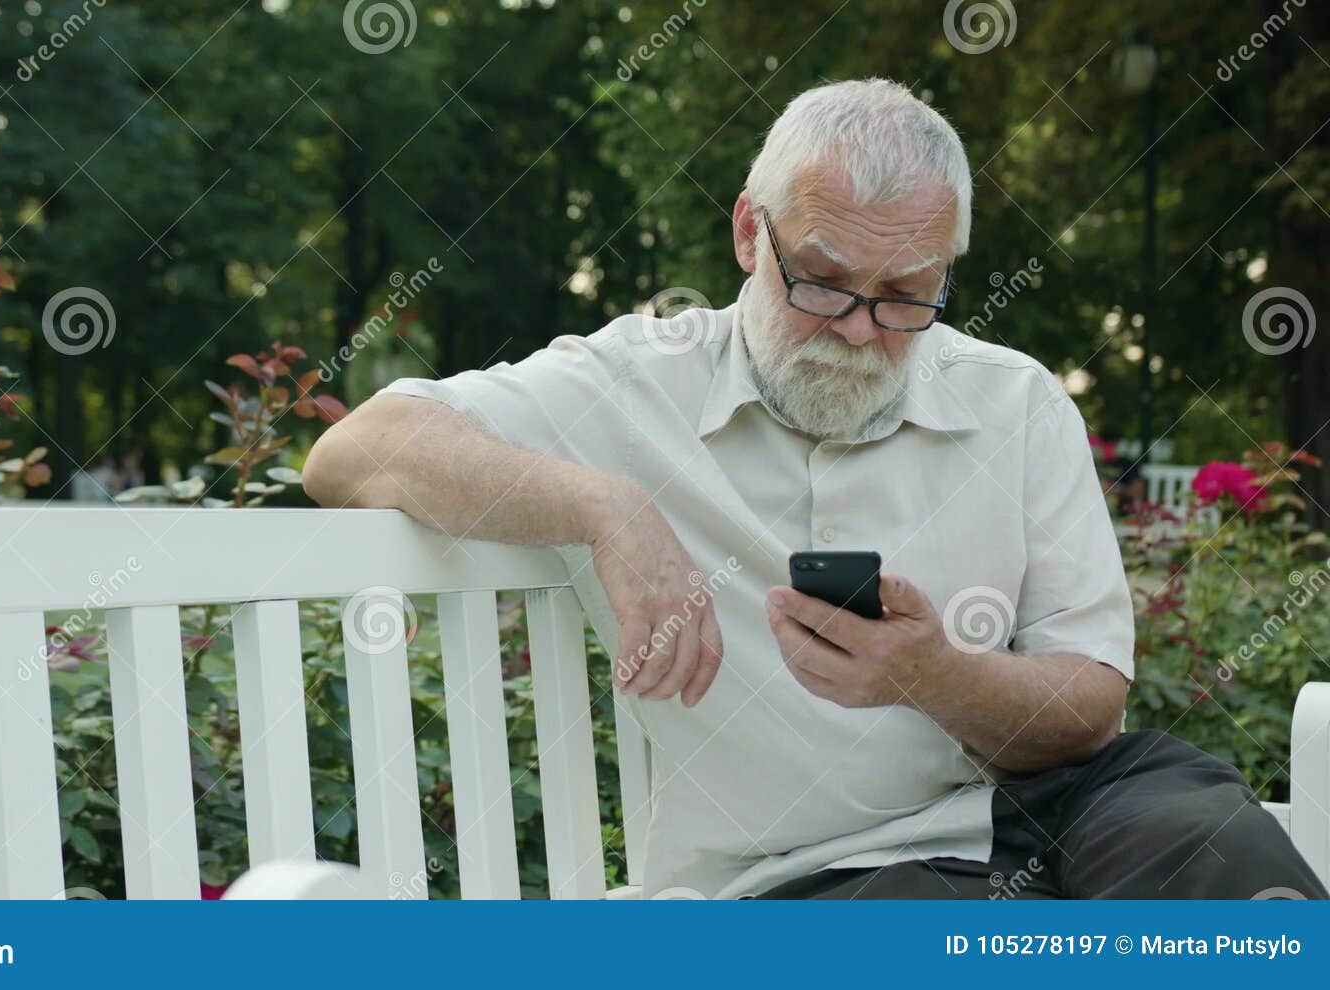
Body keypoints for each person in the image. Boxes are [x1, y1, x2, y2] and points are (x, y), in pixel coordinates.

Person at [301, 79, 1326, 900]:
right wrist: (604, 508)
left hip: (1074, 801)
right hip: (823, 871)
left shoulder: (1014, 404)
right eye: (825, 281)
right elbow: (354, 453)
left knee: (1229, 871)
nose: (859, 330)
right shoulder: (628, 384)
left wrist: (932, 673)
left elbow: (1089, 713)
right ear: (751, 233)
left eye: (905, 297)